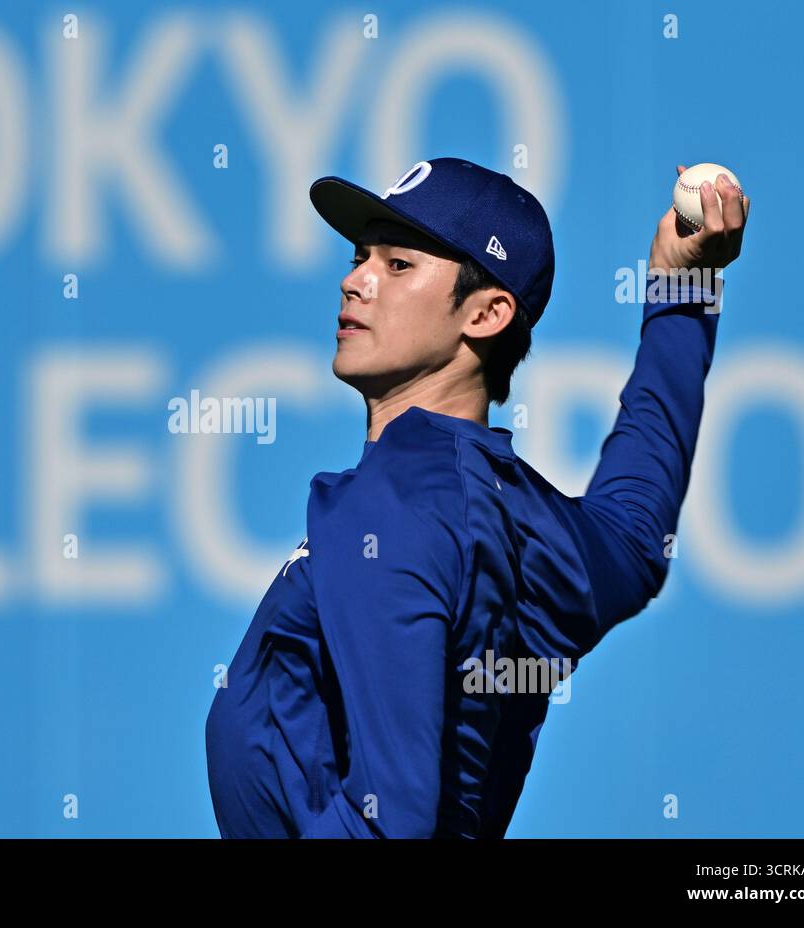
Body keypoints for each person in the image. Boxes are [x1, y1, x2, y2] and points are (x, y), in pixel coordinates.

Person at [203, 157, 749, 838]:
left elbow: (387, 825)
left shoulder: (399, 503)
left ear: (488, 313)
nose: (354, 280)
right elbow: (637, 536)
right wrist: (684, 286)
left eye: (398, 265)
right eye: (358, 256)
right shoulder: (511, 511)